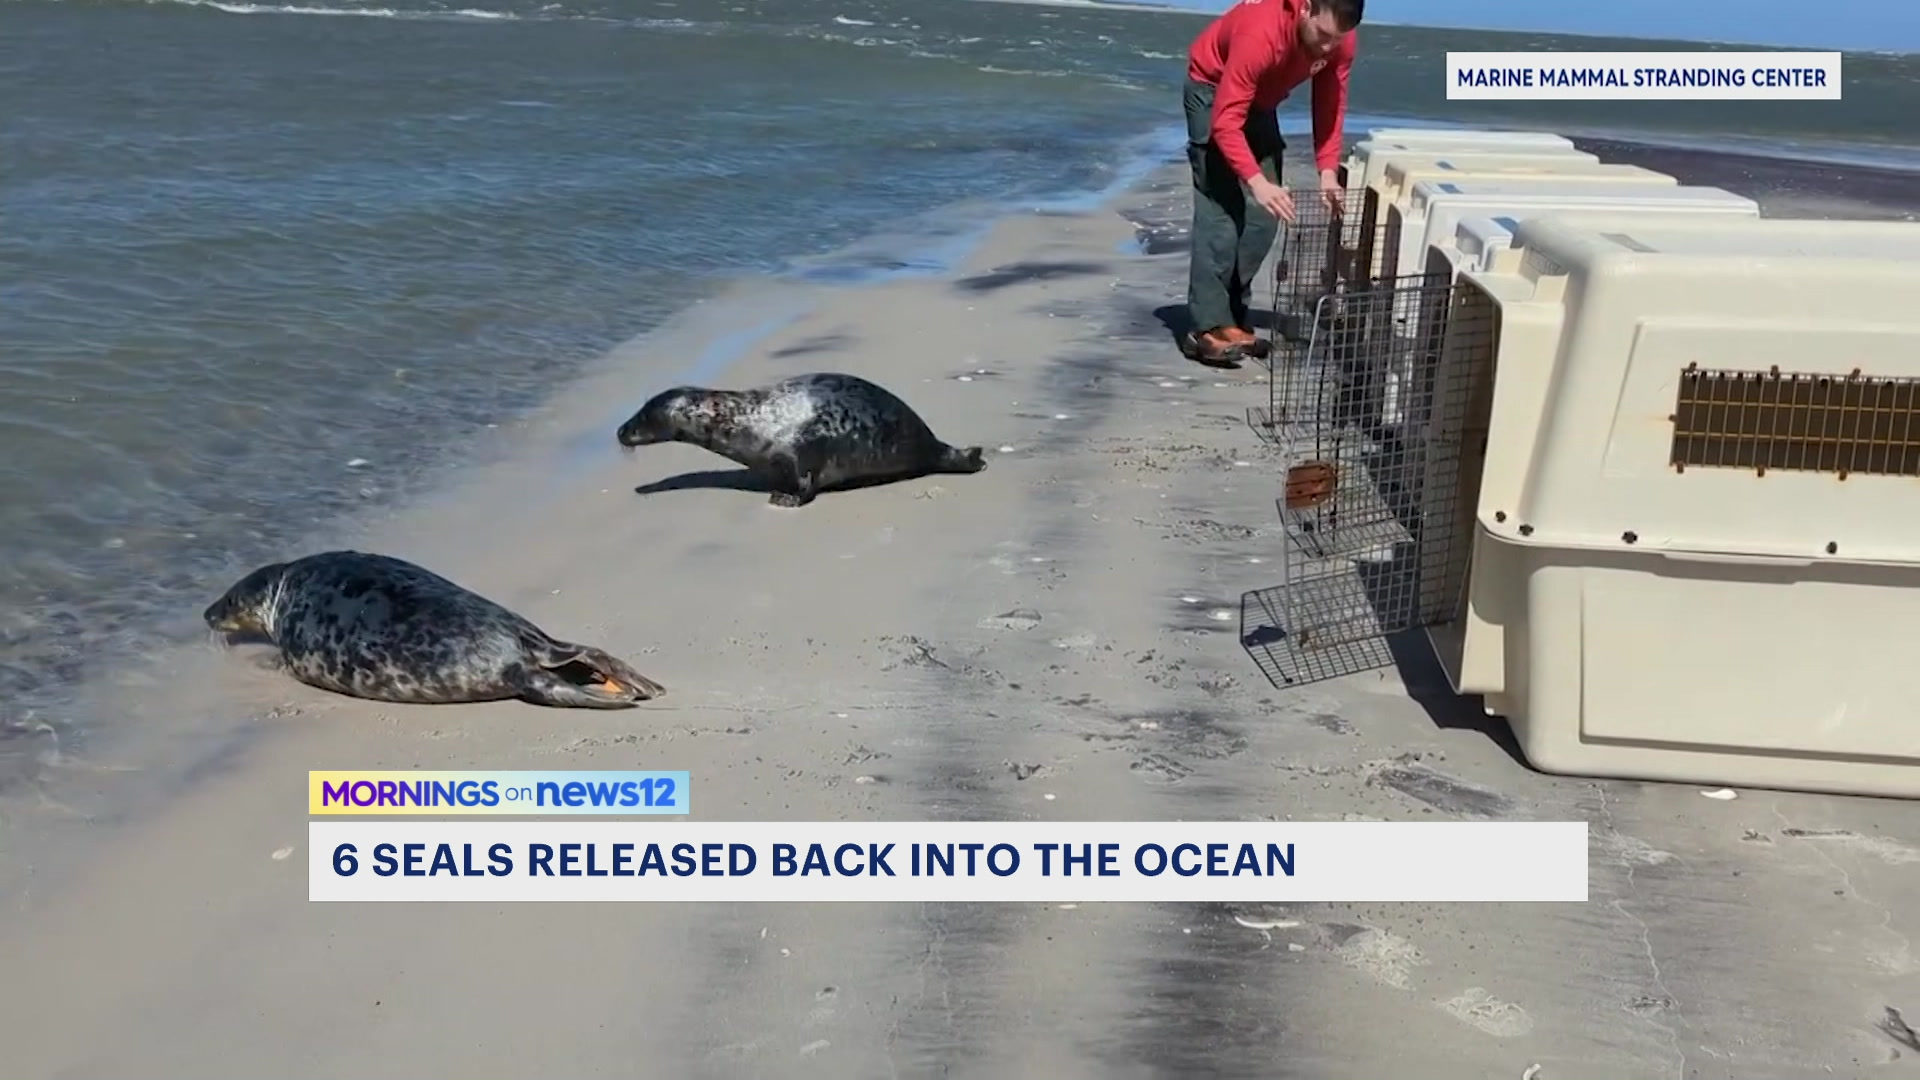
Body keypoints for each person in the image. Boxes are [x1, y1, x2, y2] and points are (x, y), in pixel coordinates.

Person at [1181, 0, 1362, 365]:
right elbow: (1226, 121)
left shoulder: (1340, 38)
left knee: (1265, 218)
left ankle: (1230, 318)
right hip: (1213, 89)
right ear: (1306, 7)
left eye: (1337, 39)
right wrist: (1256, 181)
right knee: (1222, 212)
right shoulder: (1261, 32)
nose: (1328, 47)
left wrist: (1327, 169)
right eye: (1322, 35)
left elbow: (1330, 102)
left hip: (1261, 103)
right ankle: (1205, 329)